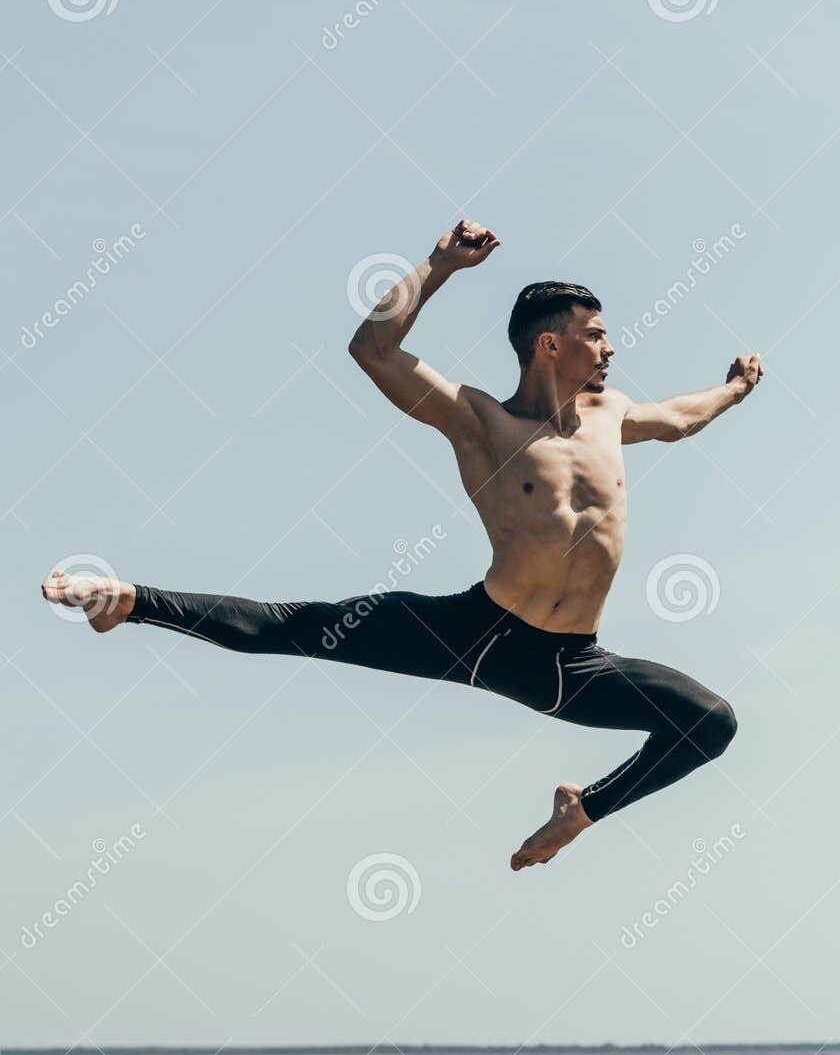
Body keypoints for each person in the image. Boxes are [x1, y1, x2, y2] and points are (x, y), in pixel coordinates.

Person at [43, 219, 763, 870]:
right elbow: (373, 349)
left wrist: (733, 390)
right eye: (597, 332)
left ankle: (581, 811)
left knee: (710, 723)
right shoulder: (482, 422)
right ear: (552, 343)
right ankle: (128, 602)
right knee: (296, 626)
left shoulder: (611, 414)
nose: (611, 345)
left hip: (571, 664)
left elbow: (678, 417)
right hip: (475, 633)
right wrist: (440, 264)